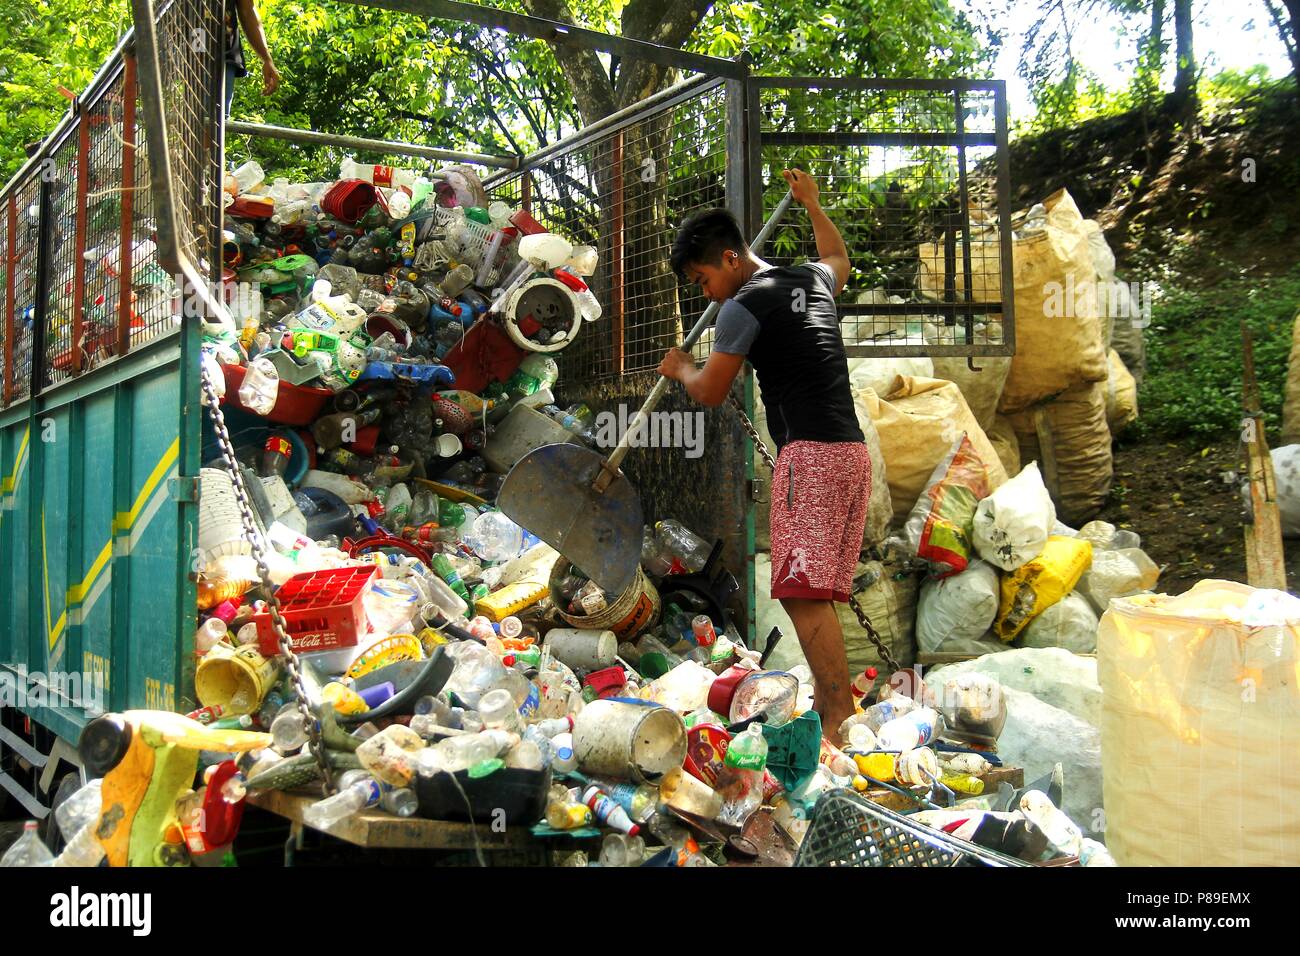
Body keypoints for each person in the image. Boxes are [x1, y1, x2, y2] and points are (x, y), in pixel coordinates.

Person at [658, 169, 869, 745]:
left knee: (802, 593)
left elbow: (710, 390)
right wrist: (813, 204)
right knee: (814, 592)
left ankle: (838, 721)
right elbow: (837, 255)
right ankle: (838, 715)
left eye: (703, 279)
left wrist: (680, 366)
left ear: (731, 259)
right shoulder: (810, 279)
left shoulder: (743, 305)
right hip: (850, 453)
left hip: (813, 456)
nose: (705, 293)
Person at [224, 0, 281, 116]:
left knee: (215, 122)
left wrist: (267, 59)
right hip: (187, 48)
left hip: (223, 54)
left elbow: (247, 11)